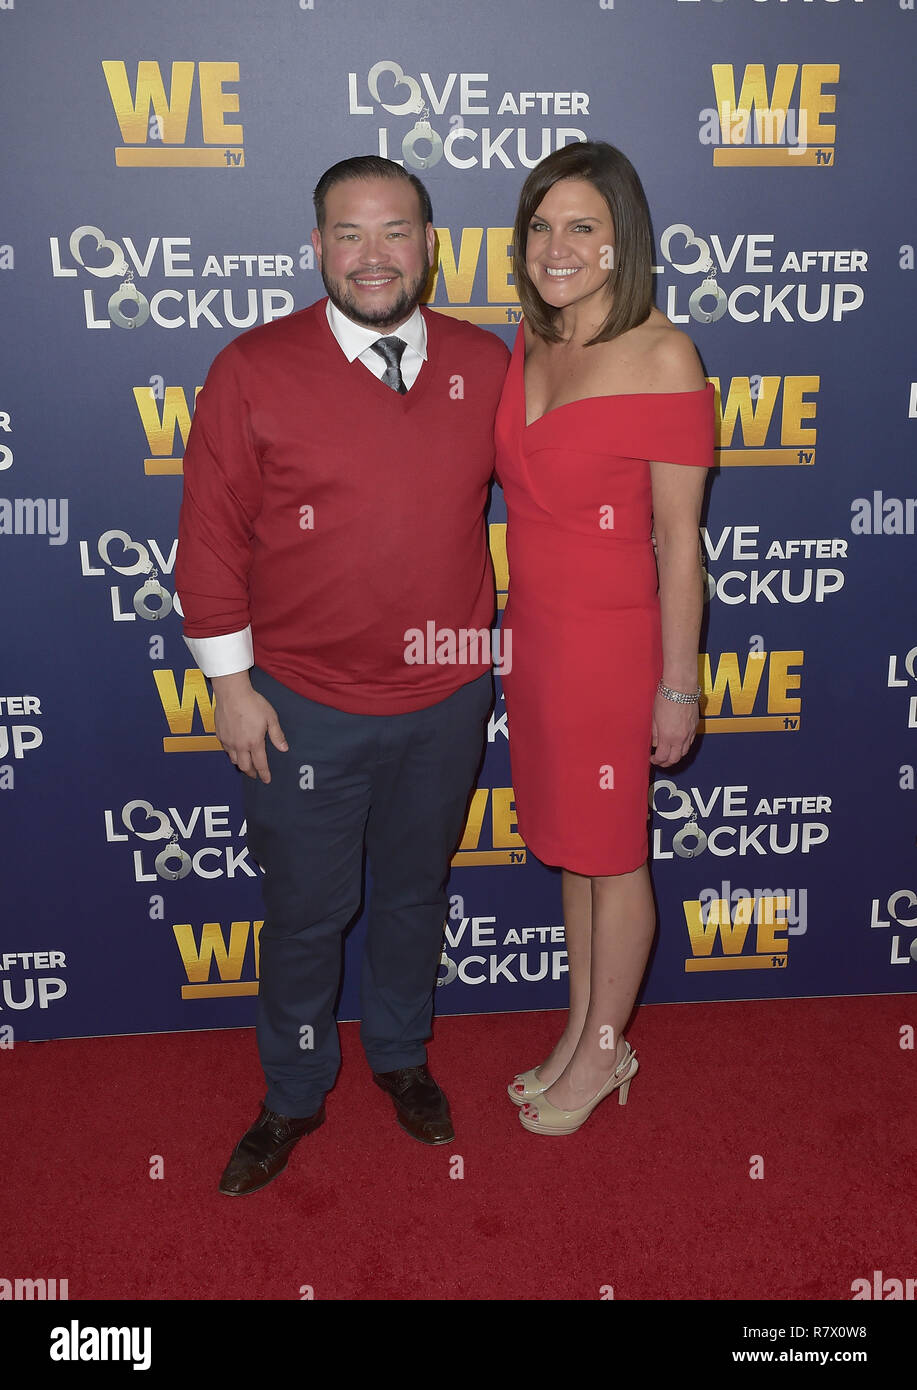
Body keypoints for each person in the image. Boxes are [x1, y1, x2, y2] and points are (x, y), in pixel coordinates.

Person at [175, 155, 510, 1194]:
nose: (374, 257)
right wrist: (231, 684)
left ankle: (401, 1058)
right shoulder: (252, 367)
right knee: (306, 913)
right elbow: (209, 539)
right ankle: (290, 1095)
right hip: (300, 707)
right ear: (314, 246)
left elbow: (551, 504)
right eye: (350, 234)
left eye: (395, 232)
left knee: (416, 894)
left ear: (430, 245)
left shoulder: (486, 363)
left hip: (449, 693)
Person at [496, 141, 715, 1136]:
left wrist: (677, 685)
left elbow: (679, 543)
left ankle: (603, 1051)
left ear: (621, 238)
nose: (556, 245)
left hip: (612, 650)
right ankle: (583, 1024)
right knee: (576, 854)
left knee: (613, 853)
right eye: (540, 225)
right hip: (535, 642)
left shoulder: (663, 353)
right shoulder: (526, 343)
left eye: (580, 226)